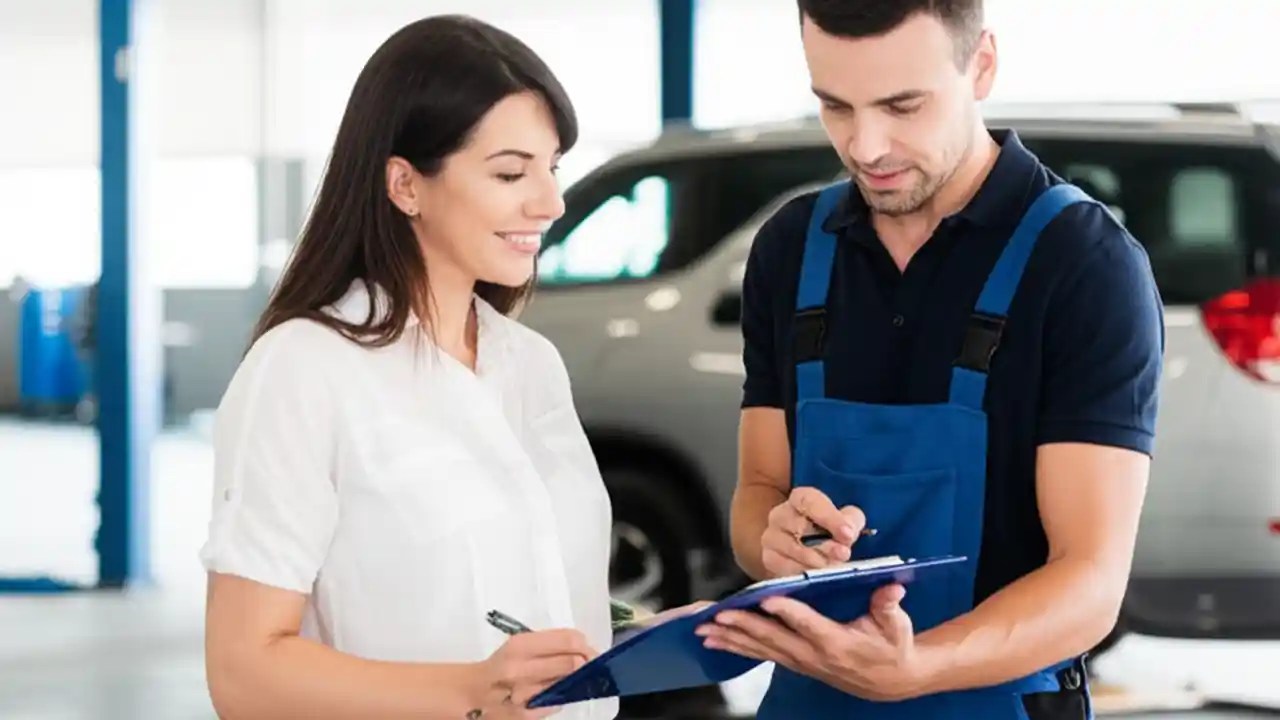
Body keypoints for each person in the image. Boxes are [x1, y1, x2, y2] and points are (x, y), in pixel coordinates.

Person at [697, 1, 1163, 718]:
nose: (866, 146)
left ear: (981, 66)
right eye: (835, 106)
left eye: (902, 106)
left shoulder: (1083, 264)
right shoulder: (791, 248)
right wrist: (775, 542)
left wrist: (917, 669)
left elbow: (1090, 582)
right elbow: (758, 490)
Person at [200, 15, 618, 720]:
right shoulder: (305, 369)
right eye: (511, 172)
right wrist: (470, 694)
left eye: (552, 168)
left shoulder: (530, 365)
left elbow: (525, 588)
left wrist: (658, 634)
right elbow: (243, 673)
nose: (551, 202)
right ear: (405, 185)